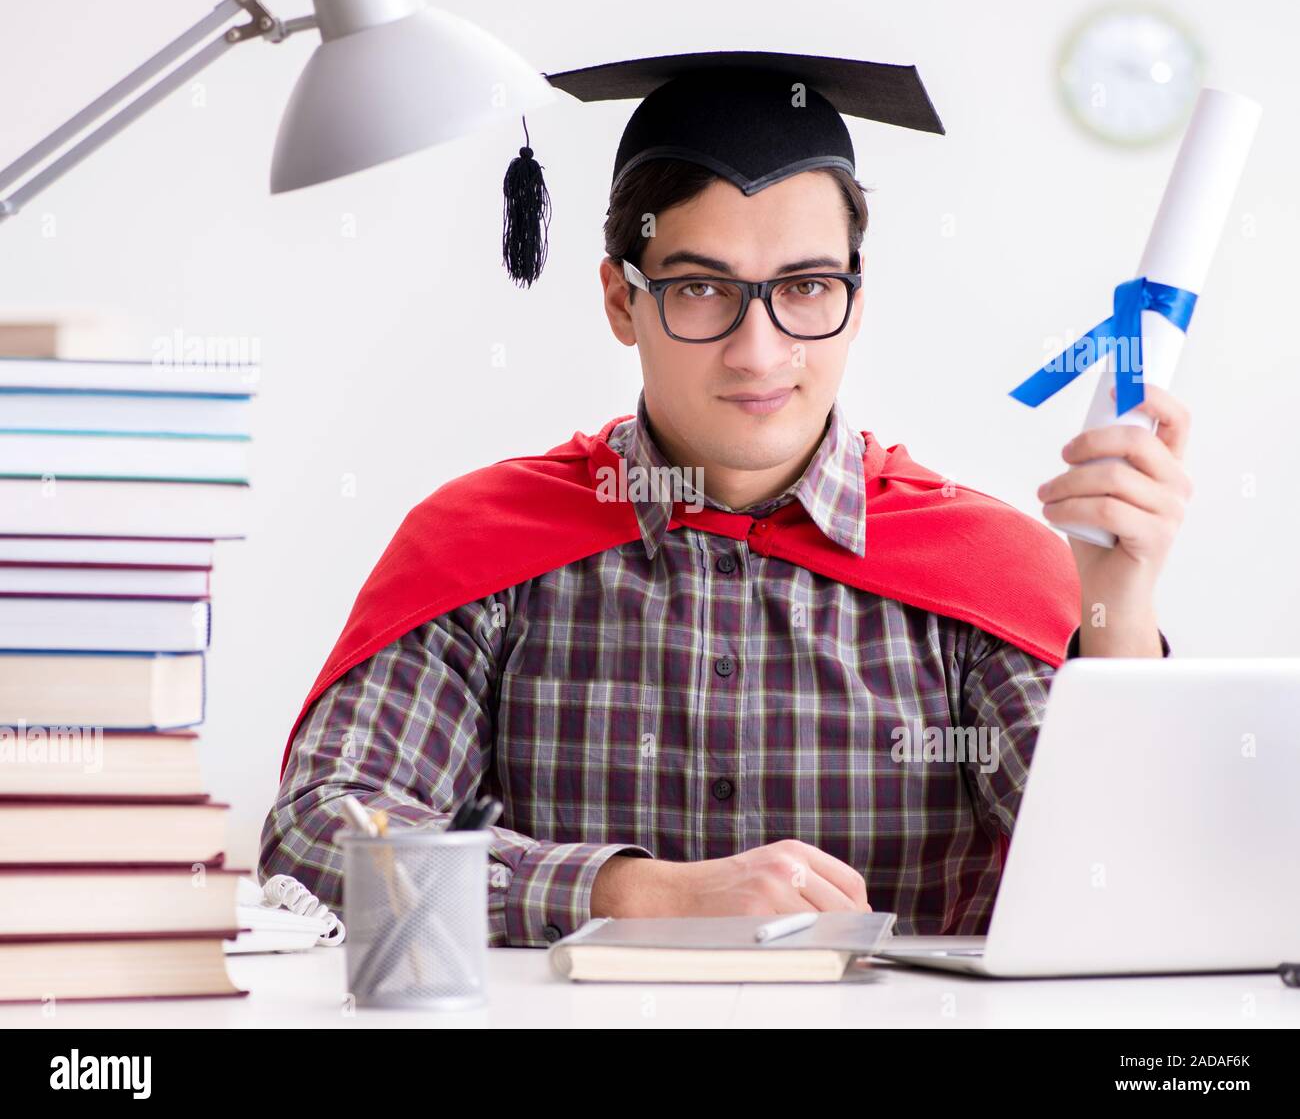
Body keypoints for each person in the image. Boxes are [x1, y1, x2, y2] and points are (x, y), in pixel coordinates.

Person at [259, 53, 1188, 944]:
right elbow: (317, 841)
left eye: (806, 286)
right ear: (622, 301)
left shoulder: (985, 569)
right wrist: (638, 892)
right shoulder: (483, 549)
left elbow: (1137, 881)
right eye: (702, 289)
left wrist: (1118, 610)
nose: (758, 350)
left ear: (856, 303)